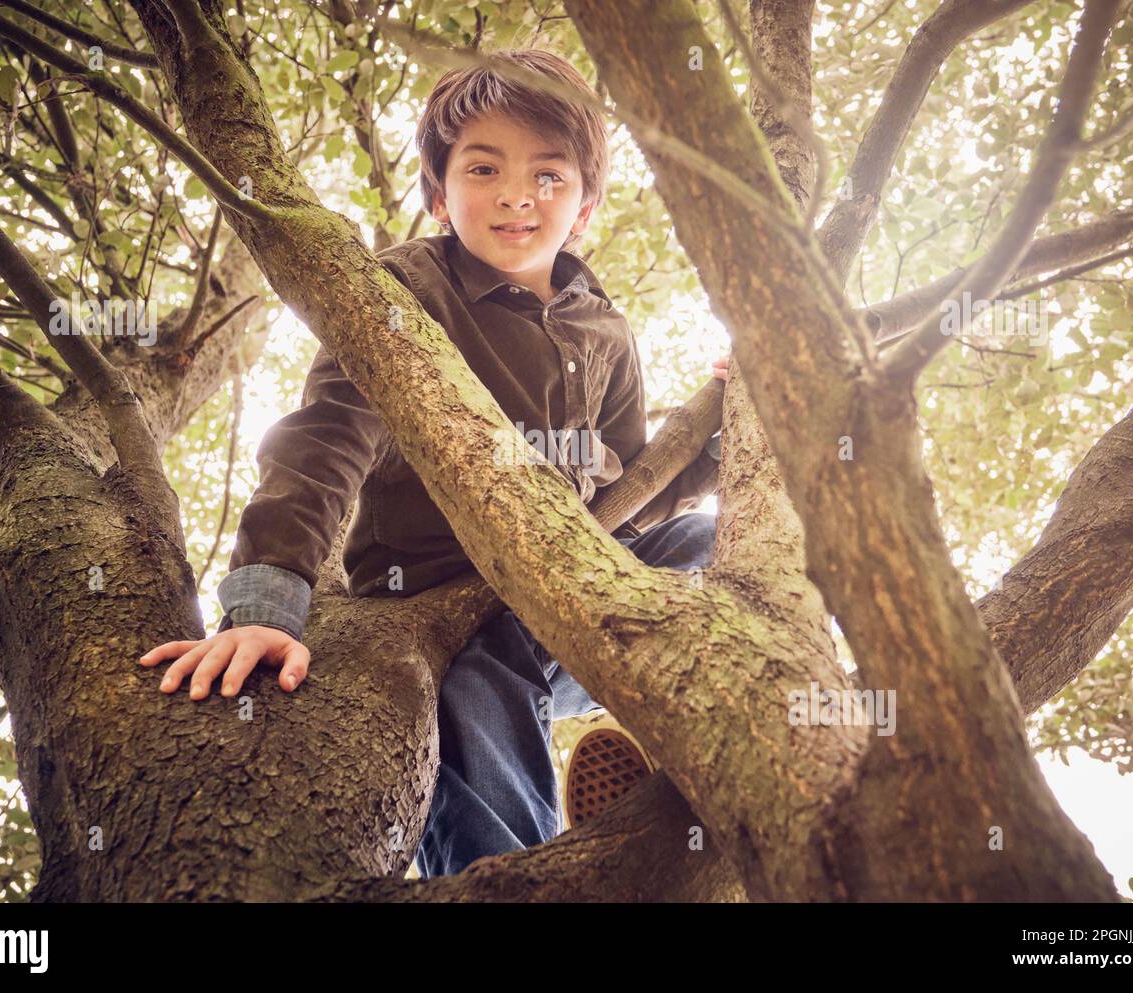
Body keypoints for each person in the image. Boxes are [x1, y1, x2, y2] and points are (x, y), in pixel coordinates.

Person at [138, 49, 728, 878]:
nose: (518, 195)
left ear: (586, 206)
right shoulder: (407, 285)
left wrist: (725, 436)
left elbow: (637, 487)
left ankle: (673, 763)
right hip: (442, 596)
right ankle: (527, 867)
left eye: (549, 175)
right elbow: (325, 435)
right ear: (440, 195)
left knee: (709, 543)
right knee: (479, 689)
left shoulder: (607, 332)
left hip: (575, 586)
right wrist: (268, 601)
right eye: (484, 167)